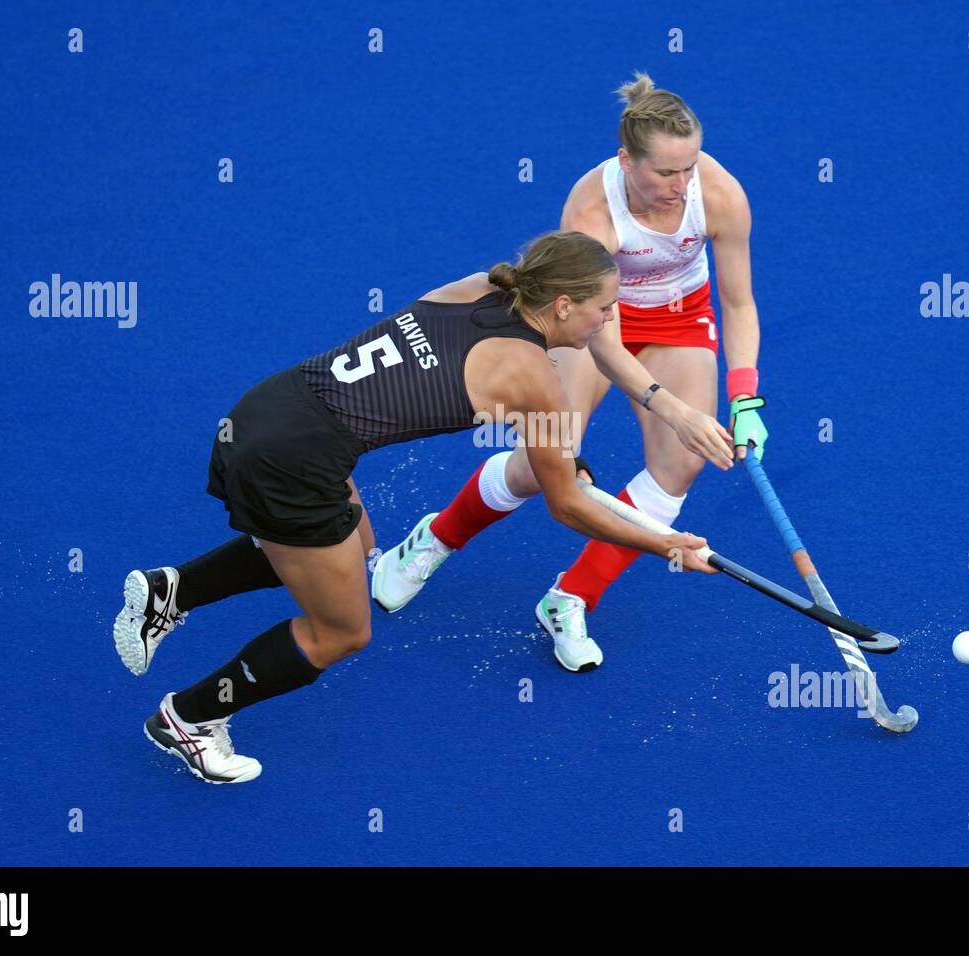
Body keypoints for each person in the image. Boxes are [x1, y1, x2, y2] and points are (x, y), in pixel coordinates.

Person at [114, 231, 717, 784]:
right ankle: (187, 720)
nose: (609, 319)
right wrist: (667, 544)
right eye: (603, 307)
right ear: (562, 305)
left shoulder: (484, 285)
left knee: (355, 550)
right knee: (342, 632)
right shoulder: (535, 379)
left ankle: (174, 592)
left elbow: (545, 446)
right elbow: (564, 507)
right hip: (295, 465)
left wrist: (560, 453)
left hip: (268, 409)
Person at [371, 73, 768, 672]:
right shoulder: (590, 213)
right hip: (589, 323)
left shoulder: (721, 195)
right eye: (665, 173)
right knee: (544, 460)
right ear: (625, 160)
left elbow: (737, 303)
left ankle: (572, 595)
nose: (682, 186)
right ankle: (436, 538)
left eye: (689, 168)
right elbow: (601, 340)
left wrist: (745, 399)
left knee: (681, 462)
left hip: (681, 319)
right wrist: (676, 409)